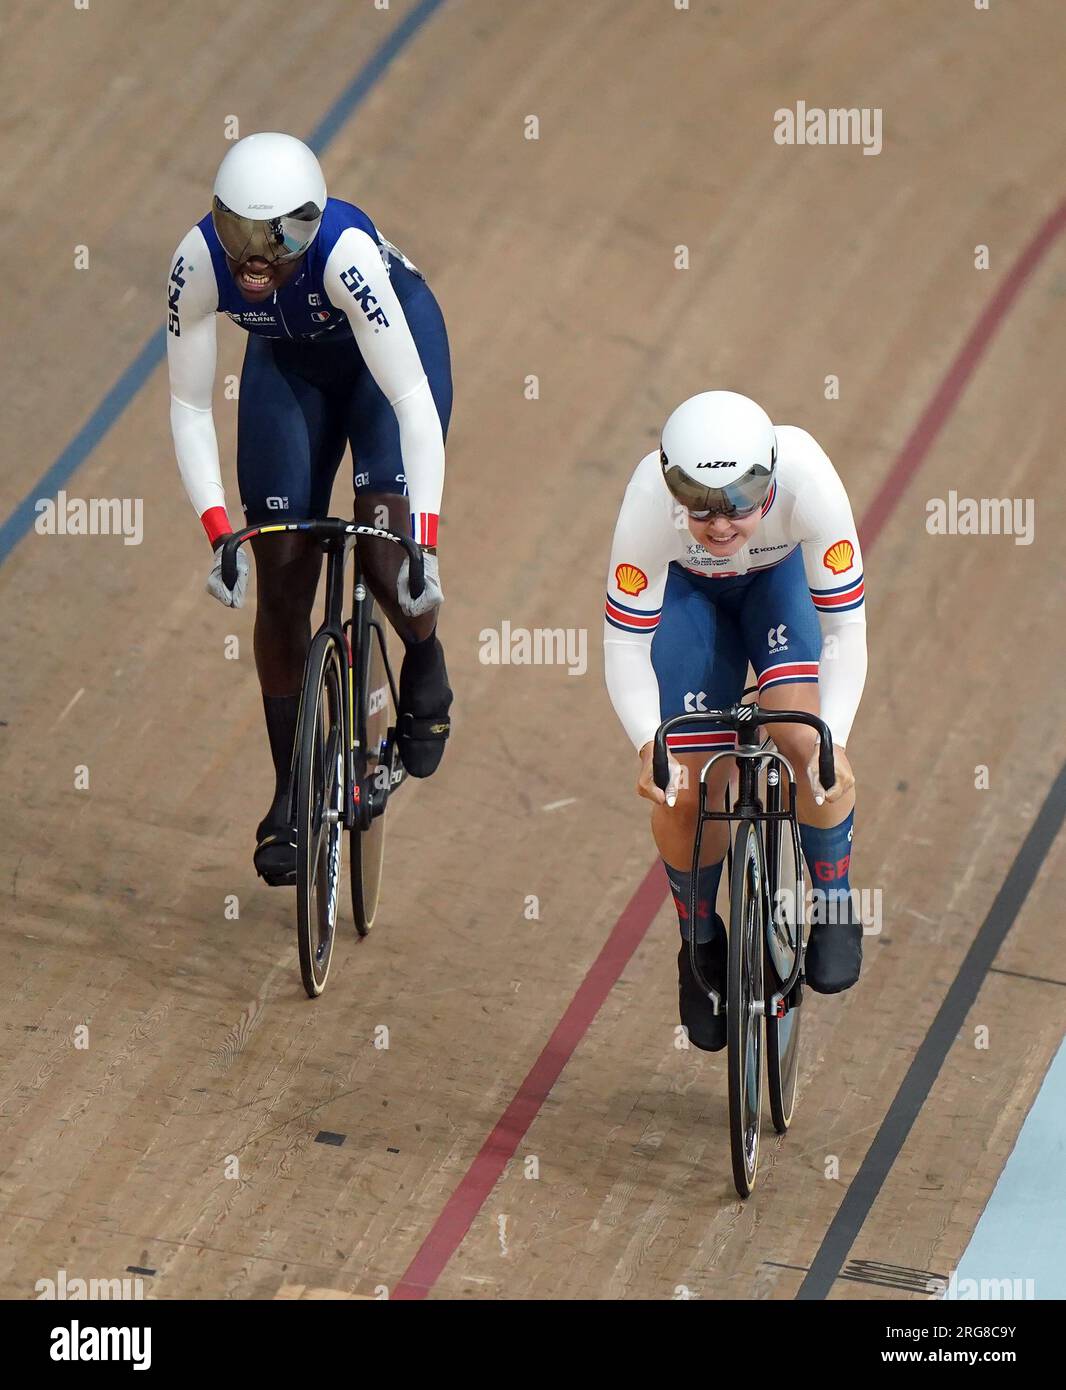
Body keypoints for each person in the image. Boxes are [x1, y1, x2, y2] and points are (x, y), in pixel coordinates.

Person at [165, 132, 453, 884]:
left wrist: (422, 542)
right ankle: (292, 792)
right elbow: (188, 403)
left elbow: (412, 405)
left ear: (313, 221)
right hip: (289, 369)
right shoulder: (197, 262)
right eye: (241, 235)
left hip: (385, 370)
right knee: (280, 567)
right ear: (217, 222)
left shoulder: (346, 257)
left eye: (282, 235)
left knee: (386, 556)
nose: (257, 258)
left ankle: (426, 663)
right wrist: (219, 532)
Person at [603, 391, 867, 1051]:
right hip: (691, 601)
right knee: (683, 789)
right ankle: (700, 944)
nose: (721, 528)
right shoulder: (646, 501)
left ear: (770, 484)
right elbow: (625, 643)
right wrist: (646, 744)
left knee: (807, 744)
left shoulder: (809, 481)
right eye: (703, 509)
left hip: (778, 588)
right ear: (673, 488)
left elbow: (843, 630)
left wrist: (832, 740)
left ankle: (832, 901)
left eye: (740, 508)